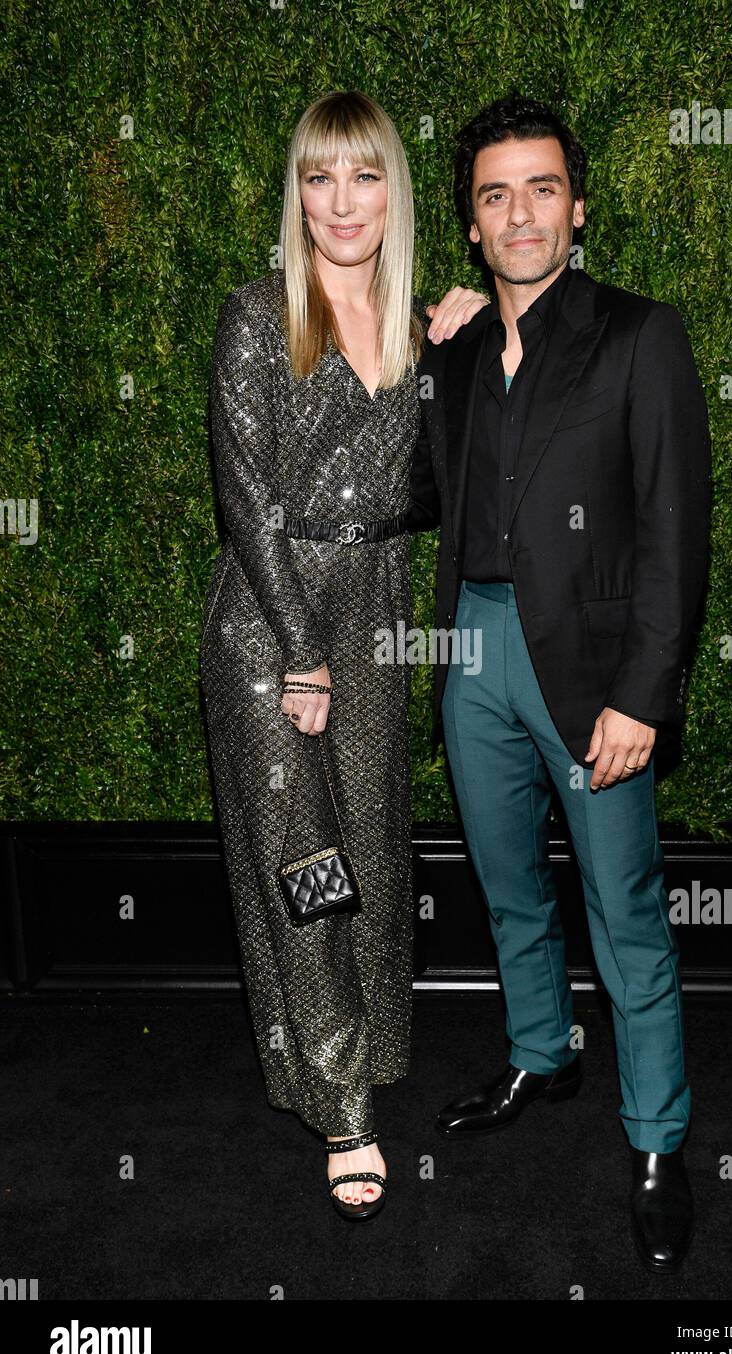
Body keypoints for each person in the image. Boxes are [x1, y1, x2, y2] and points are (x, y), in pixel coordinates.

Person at [406, 95, 712, 1271]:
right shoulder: (462, 346)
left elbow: (674, 534)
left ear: (576, 210)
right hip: (470, 652)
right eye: (494, 194)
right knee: (507, 889)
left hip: (588, 675)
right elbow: (427, 489)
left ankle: (656, 1139)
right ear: (473, 226)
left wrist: (642, 694)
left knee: (624, 916)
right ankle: (542, 1051)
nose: (519, 212)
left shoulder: (642, 335)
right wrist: (430, 352)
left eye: (541, 189)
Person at [199, 88, 487, 1222]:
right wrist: (303, 657)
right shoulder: (256, 317)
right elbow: (249, 502)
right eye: (318, 177)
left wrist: (458, 335)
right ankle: (345, 1110)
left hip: (378, 612)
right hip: (271, 628)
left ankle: (354, 1053)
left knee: (368, 850)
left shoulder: (422, 325)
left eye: (363, 175)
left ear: (394, 191)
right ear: (296, 194)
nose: (341, 201)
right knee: (306, 871)